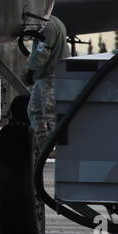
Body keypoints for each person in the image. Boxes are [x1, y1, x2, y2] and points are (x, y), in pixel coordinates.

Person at [26, 15, 67, 147]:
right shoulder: (56, 22)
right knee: (34, 110)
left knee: (50, 113)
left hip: (49, 76)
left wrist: (31, 68)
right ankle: (44, 146)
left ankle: (59, 147)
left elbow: (42, 52)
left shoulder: (47, 28)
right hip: (45, 76)